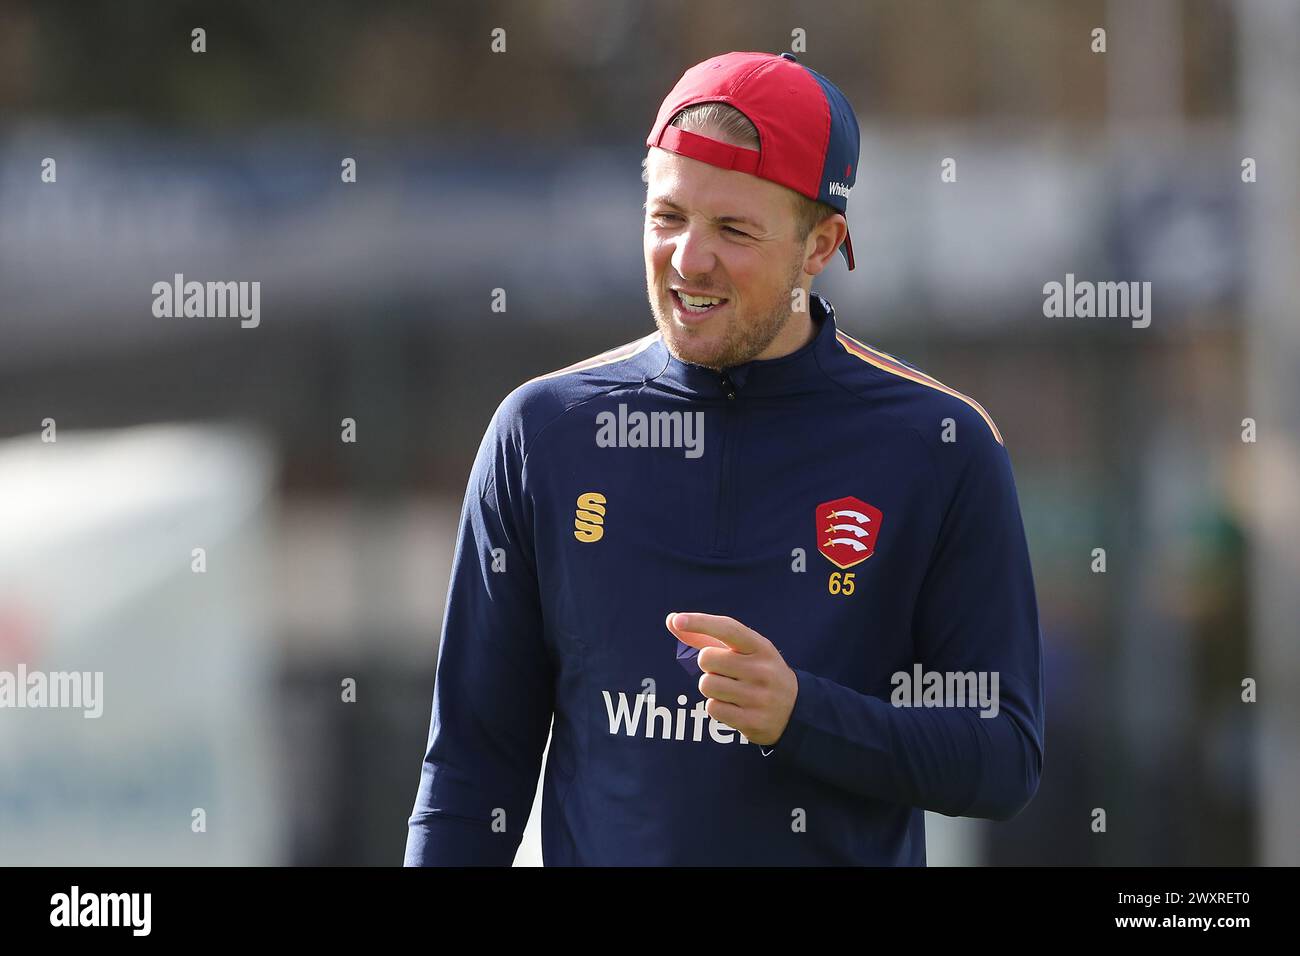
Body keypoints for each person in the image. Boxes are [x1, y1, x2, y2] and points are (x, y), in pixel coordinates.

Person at [404, 50, 1044, 866]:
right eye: (667, 216)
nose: (688, 258)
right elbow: (469, 767)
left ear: (820, 245)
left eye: (733, 229)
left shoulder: (941, 445)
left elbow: (1003, 757)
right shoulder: (544, 432)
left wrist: (801, 715)